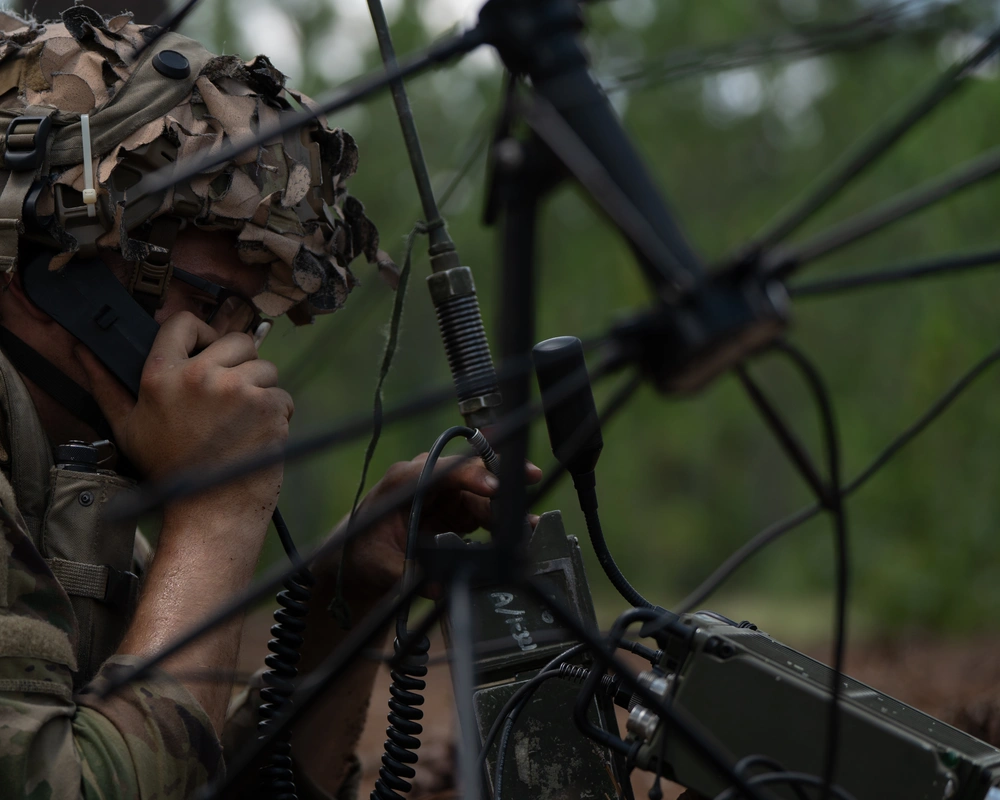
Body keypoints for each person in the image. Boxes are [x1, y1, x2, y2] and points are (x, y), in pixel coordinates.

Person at [0, 7, 540, 798]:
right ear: (60, 257)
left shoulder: (65, 487)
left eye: (250, 319)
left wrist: (340, 602)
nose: (240, 355)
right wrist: (217, 510)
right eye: (209, 298)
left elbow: (192, 781)